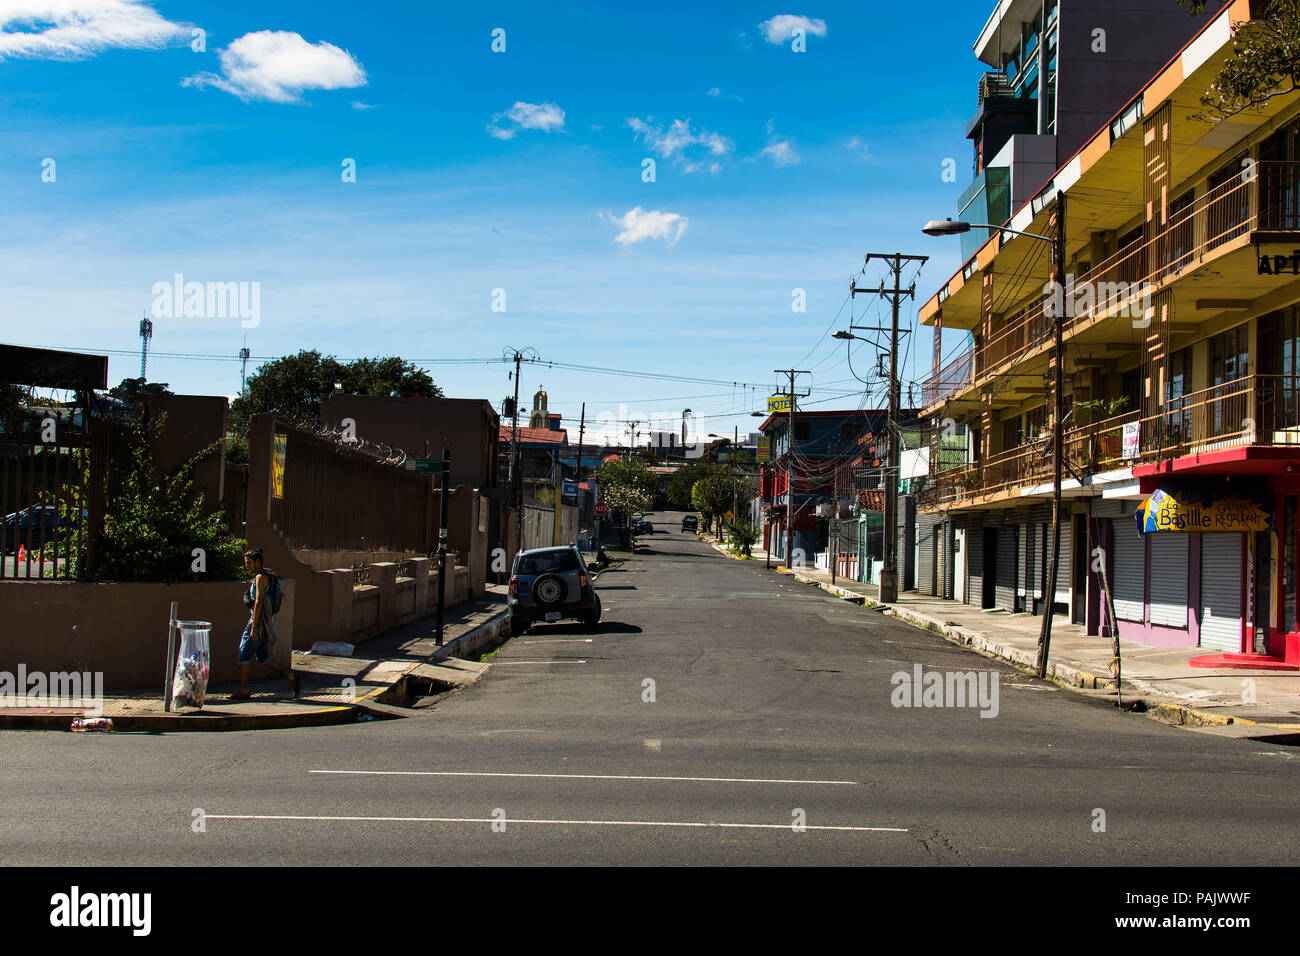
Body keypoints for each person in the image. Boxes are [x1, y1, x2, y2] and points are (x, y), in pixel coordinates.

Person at [232, 548, 299, 699]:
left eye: (249, 563)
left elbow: (259, 601)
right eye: (245, 563)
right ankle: (290, 676)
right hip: (268, 623)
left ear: (257, 562)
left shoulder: (260, 578)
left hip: (258, 623)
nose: (247, 566)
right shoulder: (268, 576)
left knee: (243, 654)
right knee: (263, 656)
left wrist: (254, 626)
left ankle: (244, 690)